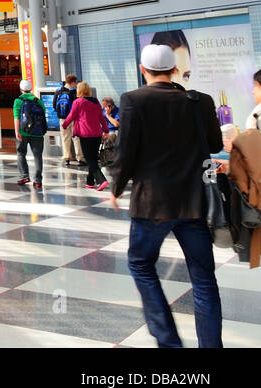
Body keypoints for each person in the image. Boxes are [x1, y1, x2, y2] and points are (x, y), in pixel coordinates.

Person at [109, 43, 223, 348]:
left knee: (141, 263)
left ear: (143, 69)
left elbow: (126, 152)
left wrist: (116, 187)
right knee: (203, 279)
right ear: (174, 70)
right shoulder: (199, 101)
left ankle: (168, 340)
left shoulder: (133, 100)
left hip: (152, 205)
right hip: (194, 203)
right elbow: (213, 144)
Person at [64, 81, 109, 189]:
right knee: (93, 157)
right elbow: (101, 117)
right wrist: (106, 129)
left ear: (79, 90)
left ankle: (101, 180)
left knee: (90, 159)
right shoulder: (96, 101)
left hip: (85, 134)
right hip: (97, 134)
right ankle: (90, 182)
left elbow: (72, 115)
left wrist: (64, 124)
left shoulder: (78, 102)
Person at [14, 79, 47, 189]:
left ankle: (24, 176)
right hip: (37, 133)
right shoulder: (38, 101)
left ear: (21, 89)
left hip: (23, 132)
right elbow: (43, 114)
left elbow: (17, 117)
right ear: (30, 89)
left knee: (21, 153)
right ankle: (38, 180)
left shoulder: (18, 101)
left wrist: (17, 131)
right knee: (37, 156)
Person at [55, 74, 79, 167]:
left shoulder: (58, 91)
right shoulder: (74, 92)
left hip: (62, 118)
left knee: (65, 138)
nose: (76, 84)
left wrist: (60, 114)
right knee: (76, 138)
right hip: (73, 118)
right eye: (75, 83)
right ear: (72, 82)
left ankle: (66, 157)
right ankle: (80, 158)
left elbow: (54, 104)